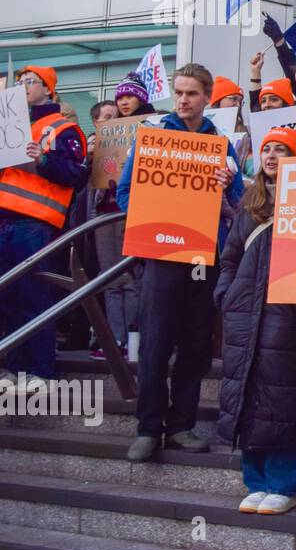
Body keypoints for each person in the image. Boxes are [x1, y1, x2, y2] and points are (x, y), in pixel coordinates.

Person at [118, 64, 244, 461]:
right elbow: (124, 194)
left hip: (204, 258)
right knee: (155, 345)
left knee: (195, 347)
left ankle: (182, 426)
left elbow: (240, 207)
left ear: (207, 97)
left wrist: (227, 195)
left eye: (191, 93)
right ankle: (148, 428)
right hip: (161, 255)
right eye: (178, 93)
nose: (183, 100)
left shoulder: (223, 146)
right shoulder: (153, 138)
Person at [215, 127, 296, 516]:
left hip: (288, 312)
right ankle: (255, 481)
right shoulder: (250, 202)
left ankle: (284, 483)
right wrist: (225, 295)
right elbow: (230, 256)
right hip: (243, 313)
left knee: (283, 394)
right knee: (248, 391)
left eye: (282, 149)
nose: (272, 155)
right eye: (267, 149)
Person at [0, 66, 88, 393]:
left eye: (30, 82)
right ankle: (13, 366)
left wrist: (43, 162)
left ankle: (40, 370)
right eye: (20, 82)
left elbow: (77, 174)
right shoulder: (11, 124)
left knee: (34, 296)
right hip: (5, 220)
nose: (23, 87)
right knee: (8, 296)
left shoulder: (63, 128)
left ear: (49, 90)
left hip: (35, 223)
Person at [84, 100, 141, 363]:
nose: (112, 121)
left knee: (130, 280)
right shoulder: (95, 148)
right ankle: (115, 340)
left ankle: (134, 340)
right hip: (103, 216)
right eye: (106, 117)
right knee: (110, 280)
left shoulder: (135, 141)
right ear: (96, 122)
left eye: (115, 116)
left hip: (129, 213)